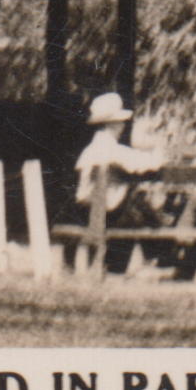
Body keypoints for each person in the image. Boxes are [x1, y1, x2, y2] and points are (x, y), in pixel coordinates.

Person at [73, 93, 168, 276]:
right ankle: (158, 257)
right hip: (109, 213)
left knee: (136, 210)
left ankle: (127, 264)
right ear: (112, 124)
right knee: (138, 209)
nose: (123, 125)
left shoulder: (89, 150)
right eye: (121, 121)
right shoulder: (113, 150)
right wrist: (158, 150)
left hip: (86, 210)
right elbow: (150, 164)